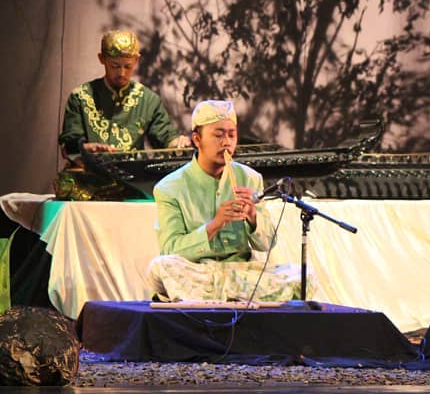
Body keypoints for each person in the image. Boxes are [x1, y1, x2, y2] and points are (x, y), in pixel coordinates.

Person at [146, 100, 302, 302]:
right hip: (198, 272)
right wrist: (215, 224)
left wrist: (252, 216)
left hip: (241, 273)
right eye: (218, 135)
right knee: (161, 267)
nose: (226, 142)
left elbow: (267, 244)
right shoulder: (169, 187)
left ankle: (218, 296)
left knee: (302, 277)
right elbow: (170, 250)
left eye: (231, 135)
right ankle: (230, 296)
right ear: (197, 139)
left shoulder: (250, 178)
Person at [57, 30, 190, 160]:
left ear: (136, 60)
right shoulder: (81, 97)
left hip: (134, 173)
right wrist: (85, 149)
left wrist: (178, 143)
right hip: (90, 172)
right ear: (102, 59)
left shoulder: (148, 100)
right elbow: (68, 146)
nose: (122, 73)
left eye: (128, 66)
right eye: (115, 66)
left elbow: (165, 136)